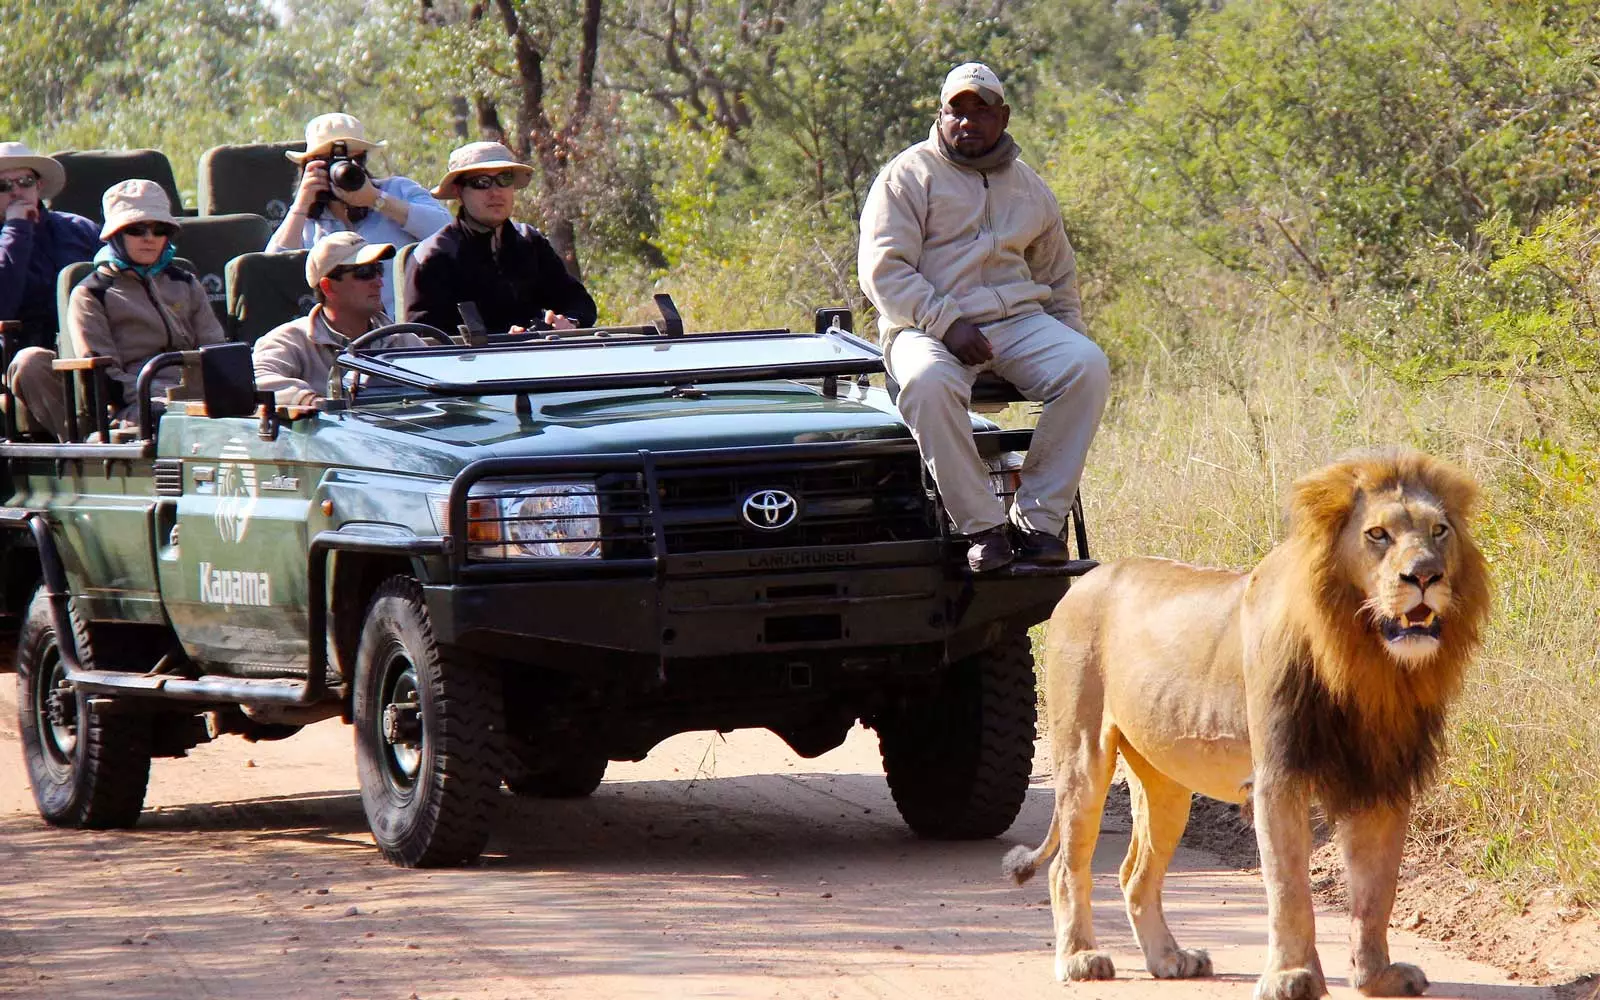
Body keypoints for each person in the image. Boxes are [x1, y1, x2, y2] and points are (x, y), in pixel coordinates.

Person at [858, 62, 1111, 573]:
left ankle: (1037, 523)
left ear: (1004, 116)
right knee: (927, 383)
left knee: (1086, 366)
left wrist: (1068, 337)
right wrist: (947, 323)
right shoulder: (907, 175)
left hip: (1017, 323)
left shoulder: (1029, 186)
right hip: (925, 326)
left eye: (981, 110)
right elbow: (882, 271)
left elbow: (1058, 278)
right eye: (958, 109)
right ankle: (982, 528)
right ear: (942, 113)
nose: (968, 121)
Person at [10, 180, 223, 440]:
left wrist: (211, 393)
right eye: (136, 229)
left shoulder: (186, 283)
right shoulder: (91, 294)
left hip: (196, 399)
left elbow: (215, 351)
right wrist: (152, 399)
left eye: (159, 230)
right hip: (135, 405)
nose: (149, 238)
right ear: (115, 236)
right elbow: (104, 377)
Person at [266, 113, 450, 316]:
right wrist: (301, 205)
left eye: (350, 160)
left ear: (362, 161)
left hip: (404, 331)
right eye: (327, 162)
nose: (340, 169)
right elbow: (273, 271)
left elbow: (446, 231)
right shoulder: (305, 221)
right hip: (339, 336)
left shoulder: (397, 190)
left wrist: (377, 200)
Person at [403, 141, 596, 335]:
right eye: (481, 182)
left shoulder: (530, 242)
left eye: (505, 179)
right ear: (457, 191)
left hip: (540, 360)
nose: (495, 192)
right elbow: (424, 340)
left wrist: (569, 322)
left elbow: (579, 302)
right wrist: (501, 339)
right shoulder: (434, 257)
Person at [253, 232, 425, 407]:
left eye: (378, 269)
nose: (378, 282)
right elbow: (258, 379)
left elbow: (444, 383)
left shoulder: (403, 340)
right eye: (364, 272)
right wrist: (308, 400)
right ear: (328, 287)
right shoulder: (291, 340)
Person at [0, 143, 99, 349]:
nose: (16, 191)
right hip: (17, 355)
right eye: (3, 186)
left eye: (25, 181)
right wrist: (17, 228)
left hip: (90, 346)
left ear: (39, 185)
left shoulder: (80, 229)